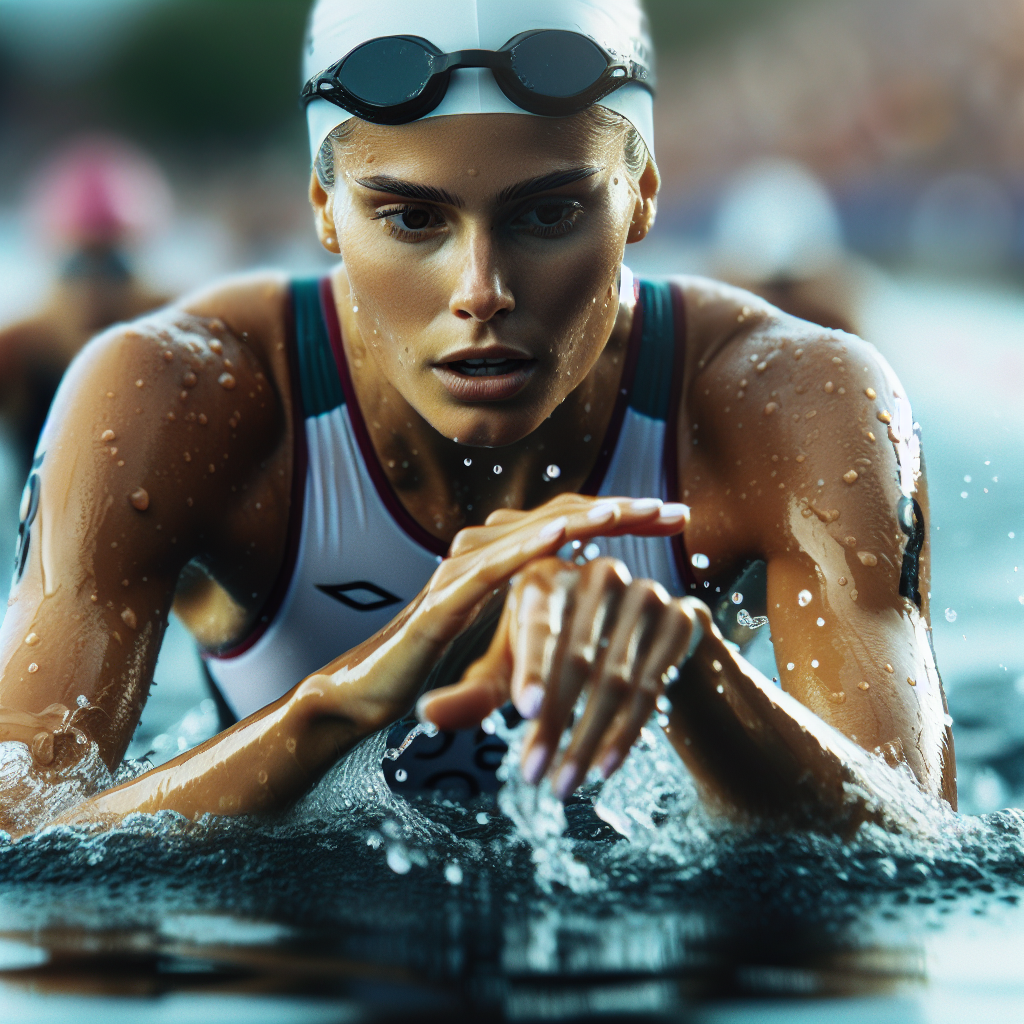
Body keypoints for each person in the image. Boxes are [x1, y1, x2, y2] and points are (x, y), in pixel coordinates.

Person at [0, 0, 954, 839]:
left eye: (548, 215)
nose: (481, 291)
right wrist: (342, 701)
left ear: (641, 195)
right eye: (413, 220)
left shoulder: (787, 399)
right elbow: (16, 826)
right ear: (326, 209)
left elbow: (918, 839)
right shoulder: (181, 395)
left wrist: (695, 669)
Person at [0, 137, 171, 479]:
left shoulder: (177, 331)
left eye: (113, 267)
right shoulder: (17, 349)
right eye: (76, 267)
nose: (92, 290)